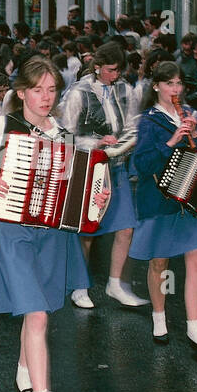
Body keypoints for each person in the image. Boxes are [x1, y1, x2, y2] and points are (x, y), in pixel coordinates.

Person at [0, 57, 107, 392]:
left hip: (52, 234)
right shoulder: (4, 126)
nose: (46, 97)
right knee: (34, 312)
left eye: (52, 90)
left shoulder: (62, 132)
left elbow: (76, 189)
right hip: (14, 230)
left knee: (42, 310)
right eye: (38, 90)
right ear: (21, 93)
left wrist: (94, 199)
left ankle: (25, 369)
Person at [129, 61, 197, 349]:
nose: (176, 89)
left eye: (179, 83)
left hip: (191, 197)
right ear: (156, 86)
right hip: (160, 199)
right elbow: (141, 165)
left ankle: (195, 326)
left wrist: (195, 136)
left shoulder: (195, 115)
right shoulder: (148, 120)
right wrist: (170, 142)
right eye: (169, 84)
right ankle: (159, 316)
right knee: (160, 262)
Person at [60, 42, 148, 310]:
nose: (115, 75)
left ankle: (115, 283)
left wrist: (125, 142)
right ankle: (79, 285)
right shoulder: (79, 93)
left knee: (125, 228)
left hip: (117, 165)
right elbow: (66, 135)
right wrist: (96, 143)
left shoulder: (125, 89)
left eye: (119, 70)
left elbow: (133, 123)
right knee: (88, 230)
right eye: (110, 70)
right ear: (97, 67)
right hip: (89, 167)